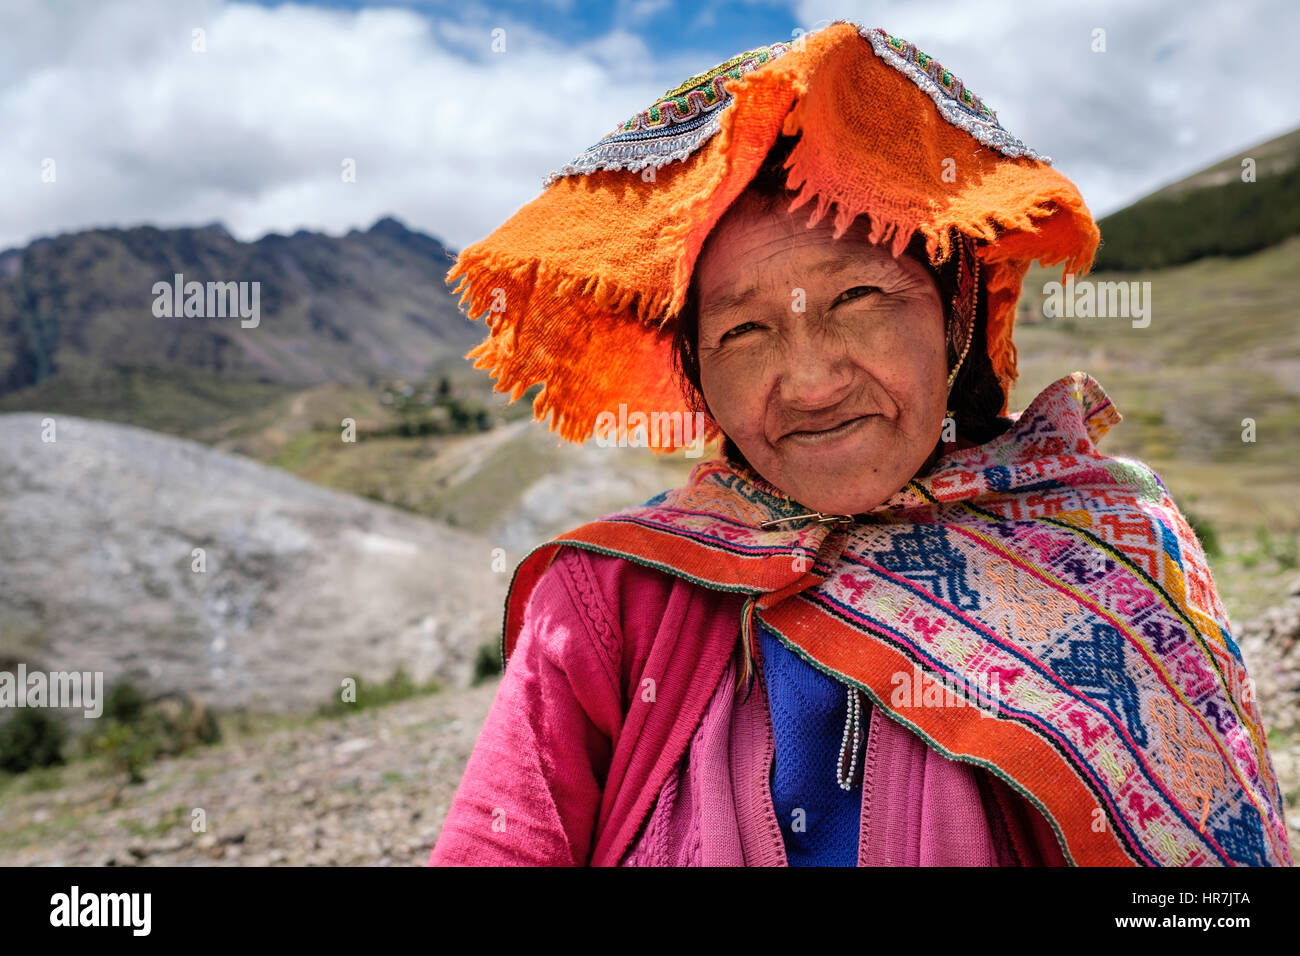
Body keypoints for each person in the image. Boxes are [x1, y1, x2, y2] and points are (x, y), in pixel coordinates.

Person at [428, 20, 1291, 866]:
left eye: (857, 300)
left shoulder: (1116, 551)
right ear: (692, 363)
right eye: (743, 332)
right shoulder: (611, 596)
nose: (809, 383)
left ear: (955, 310)